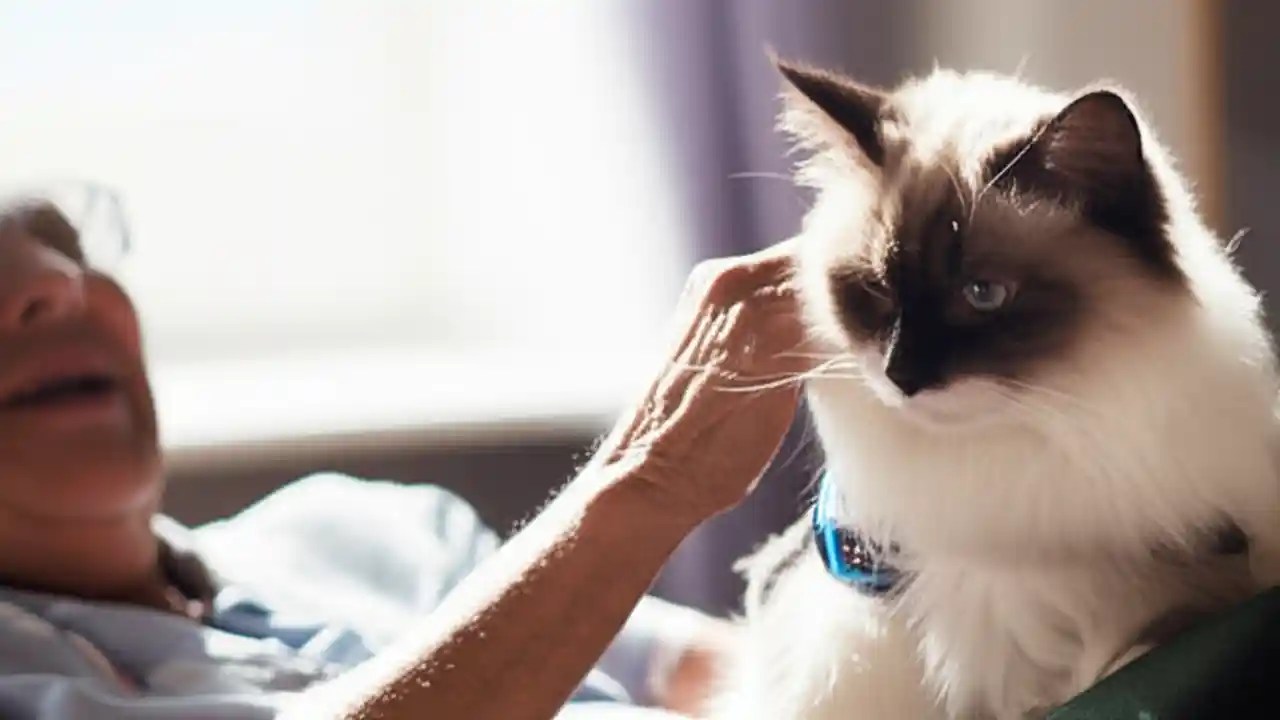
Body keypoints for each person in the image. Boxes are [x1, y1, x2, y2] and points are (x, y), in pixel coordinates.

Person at [0, 188, 811, 719]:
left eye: (59, 241)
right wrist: (649, 479)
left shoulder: (365, 529)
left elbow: (696, 670)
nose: (55, 280)